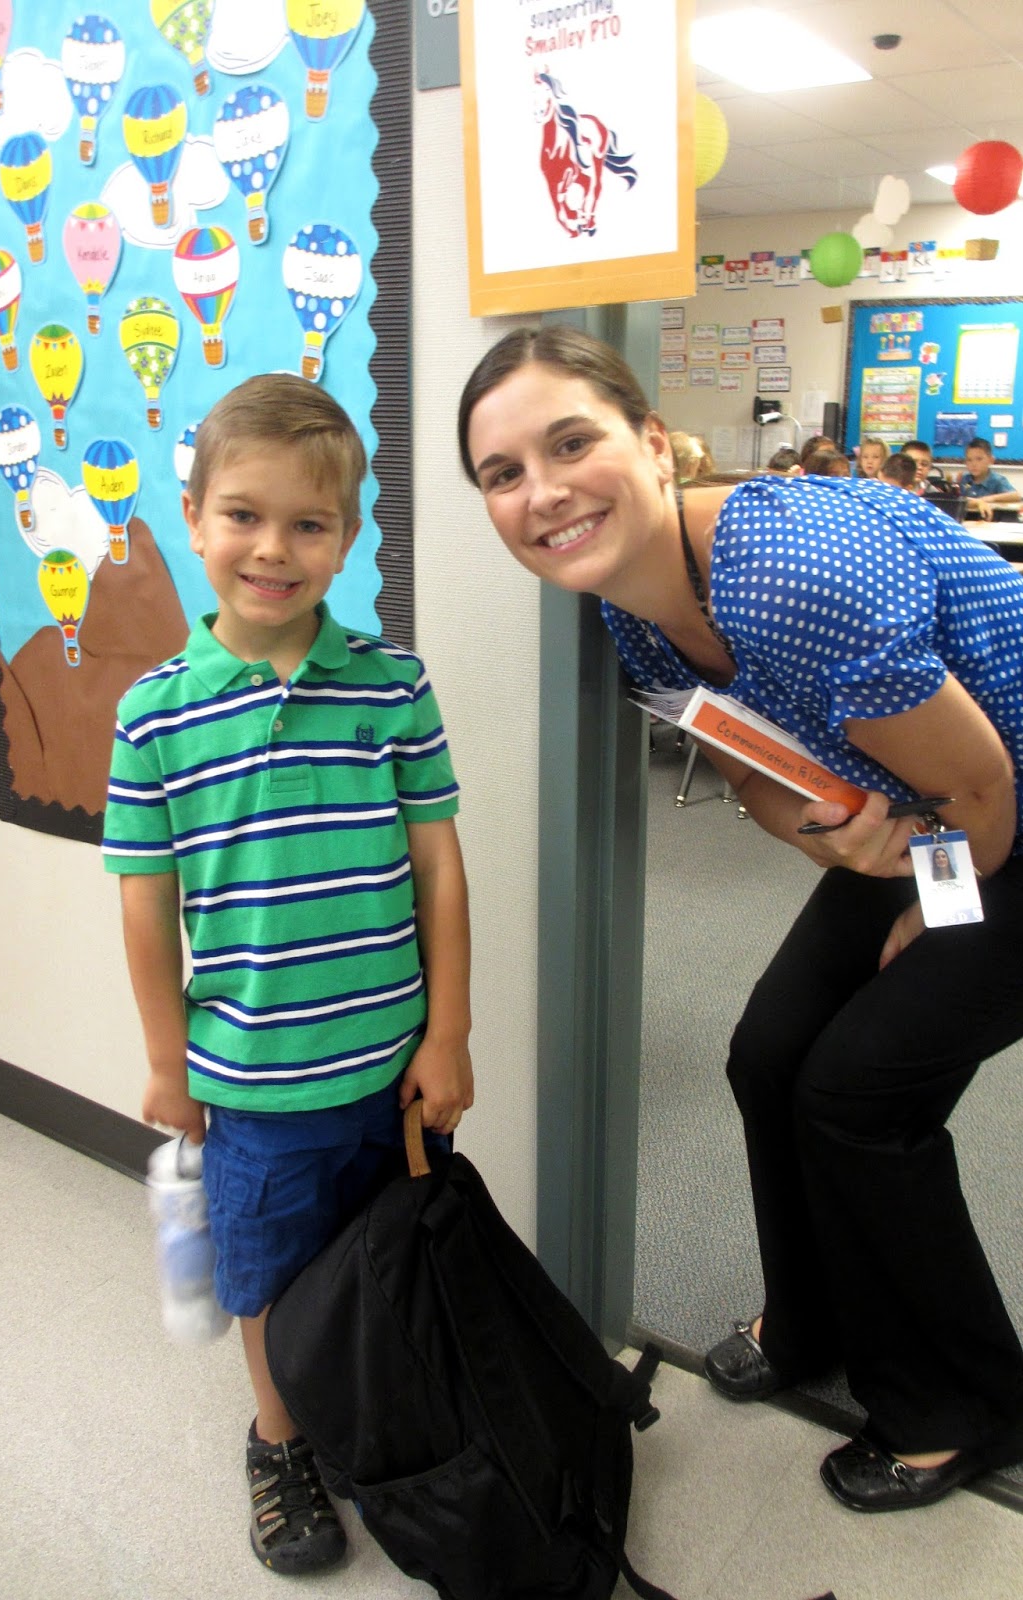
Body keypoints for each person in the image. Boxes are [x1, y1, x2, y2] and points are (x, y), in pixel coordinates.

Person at [457, 324, 1023, 1515]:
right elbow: (757, 776)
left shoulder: (791, 572)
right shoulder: (630, 604)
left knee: (859, 1095)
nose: (543, 492)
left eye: (572, 443)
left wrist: (932, 907)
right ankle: (811, 1321)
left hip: (999, 805)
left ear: (653, 445)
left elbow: (979, 789)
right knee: (767, 1053)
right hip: (932, 807)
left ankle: (962, 1407)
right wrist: (833, 833)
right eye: (503, 473)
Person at [103, 374, 473, 1573]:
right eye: (244, 516)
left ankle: (374, 1410)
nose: (274, 548)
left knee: (387, 1255)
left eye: (309, 524)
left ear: (349, 537)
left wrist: (450, 1031)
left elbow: (439, 870)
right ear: (197, 515)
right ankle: (278, 1440)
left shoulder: (392, 686)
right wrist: (168, 1060)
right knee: (266, 1276)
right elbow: (146, 905)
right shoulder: (153, 714)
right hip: (254, 1089)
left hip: (390, 1069)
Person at [959, 437, 1022, 517]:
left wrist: (988, 499)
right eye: (969, 460)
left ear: (991, 460)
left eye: (979, 459)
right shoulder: (965, 479)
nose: (973, 464)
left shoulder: (997, 480)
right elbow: (961, 500)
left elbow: (1016, 496)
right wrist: (978, 502)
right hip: (969, 519)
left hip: (991, 520)